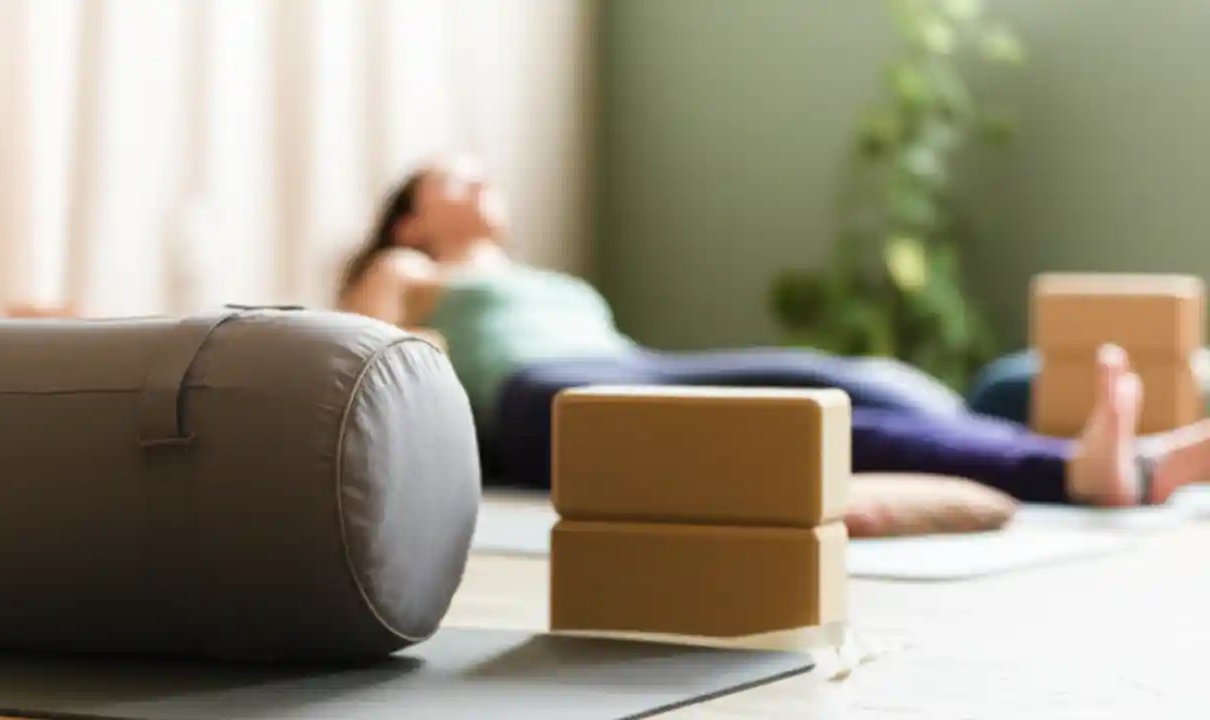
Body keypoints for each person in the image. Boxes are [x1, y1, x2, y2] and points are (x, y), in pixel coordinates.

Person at [338, 157, 1210, 510]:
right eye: (455, 173)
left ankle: (1084, 452)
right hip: (544, 399)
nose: (481, 174)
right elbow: (365, 362)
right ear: (413, 220)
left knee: (844, 375)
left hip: (628, 365)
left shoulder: (536, 274)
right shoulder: (414, 273)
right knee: (798, 422)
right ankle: (1078, 469)